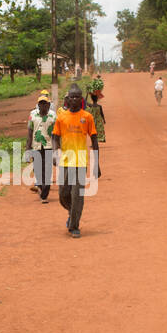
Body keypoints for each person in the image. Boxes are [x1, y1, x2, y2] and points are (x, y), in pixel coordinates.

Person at [52, 85, 99, 238]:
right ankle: (72, 213)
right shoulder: (61, 117)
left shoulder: (87, 117)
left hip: (80, 162)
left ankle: (74, 226)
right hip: (65, 161)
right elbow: (55, 137)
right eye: (71, 97)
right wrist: (54, 152)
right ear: (67, 99)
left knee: (77, 195)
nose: (74, 99)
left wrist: (96, 163)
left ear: (81, 99)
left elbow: (94, 139)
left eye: (77, 97)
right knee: (63, 194)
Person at [27, 91, 56, 202]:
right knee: (38, 170)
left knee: (48, 170)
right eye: (41, 103)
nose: (43, 105)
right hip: (36, 147)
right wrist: (27, 148)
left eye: (45, 103)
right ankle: (41, 187)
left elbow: (56, 134)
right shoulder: (33, 115)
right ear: (38, 105)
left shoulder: (53, 116)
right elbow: (29, 132)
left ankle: (45, 191)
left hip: (49, 146)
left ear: (48, 105)